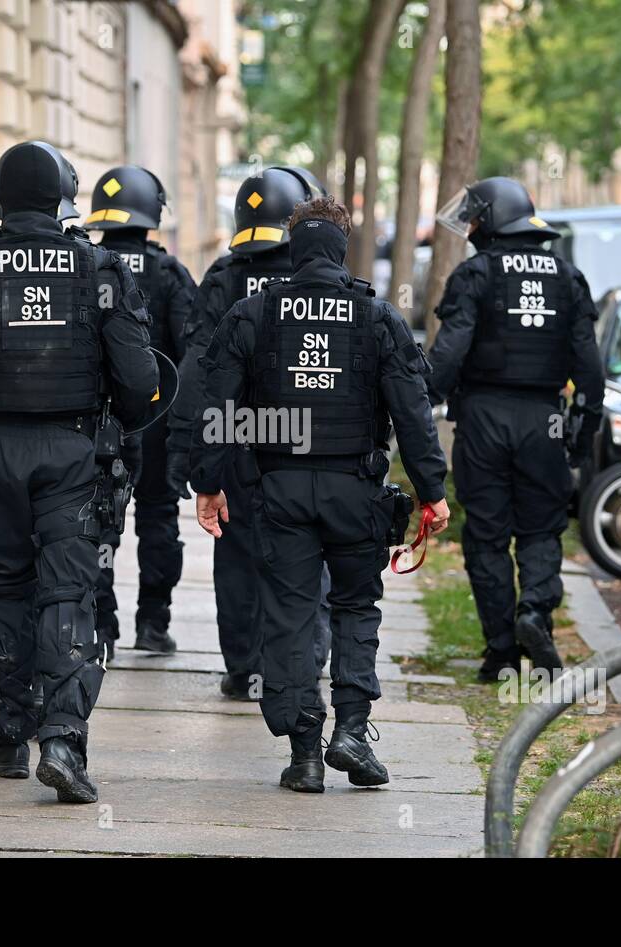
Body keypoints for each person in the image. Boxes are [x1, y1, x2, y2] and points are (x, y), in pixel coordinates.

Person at [0, 141, 159, 803]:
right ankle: (65, 740)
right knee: (67, 591)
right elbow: (139, 380)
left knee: (7, 587)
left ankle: (10, 735)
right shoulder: (100, 269)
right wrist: (120, 427)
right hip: (74, 454)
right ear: (63, 198)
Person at [191, 197, 450, 793]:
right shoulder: (378, 317)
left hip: (277, 492)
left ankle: (305, 753)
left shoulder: (251, 314)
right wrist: (432, 490)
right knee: (356, 607)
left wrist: (208, 484)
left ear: (293, 246)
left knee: (290, 613)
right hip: (356, 491)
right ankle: (352, 732)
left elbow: (218, 409)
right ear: (342, 246)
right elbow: (413, 412)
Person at [426, 176, 604, 683]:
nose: (473, 226)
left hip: (482, 417)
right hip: (545, 418)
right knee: (542, 527)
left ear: (494, 220)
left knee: (486, 536)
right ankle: (535, 613)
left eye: (477, 218)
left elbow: (448, 355)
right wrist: (583, 424)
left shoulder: (474, 274)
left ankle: (501, 651)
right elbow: (588, 365)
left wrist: (419, 403)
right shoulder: (567, 277)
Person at [166, 166, 334, 700]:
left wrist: (185, 448)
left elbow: (195, 368)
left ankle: (245, 670)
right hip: (308, 445)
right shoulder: (322, 277)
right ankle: (303, 664)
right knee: (310, 555)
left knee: (237, 557)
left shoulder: (224, 275)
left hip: (240, 440)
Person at [83, 165, 197, 660]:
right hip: (157, 421)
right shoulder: (168, 272)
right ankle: (153, 621)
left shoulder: (87, 264)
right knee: (158, 518)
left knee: (99, 521)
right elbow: (193, 352)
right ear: (153, 211)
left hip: (99, 422)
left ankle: (101, 623)